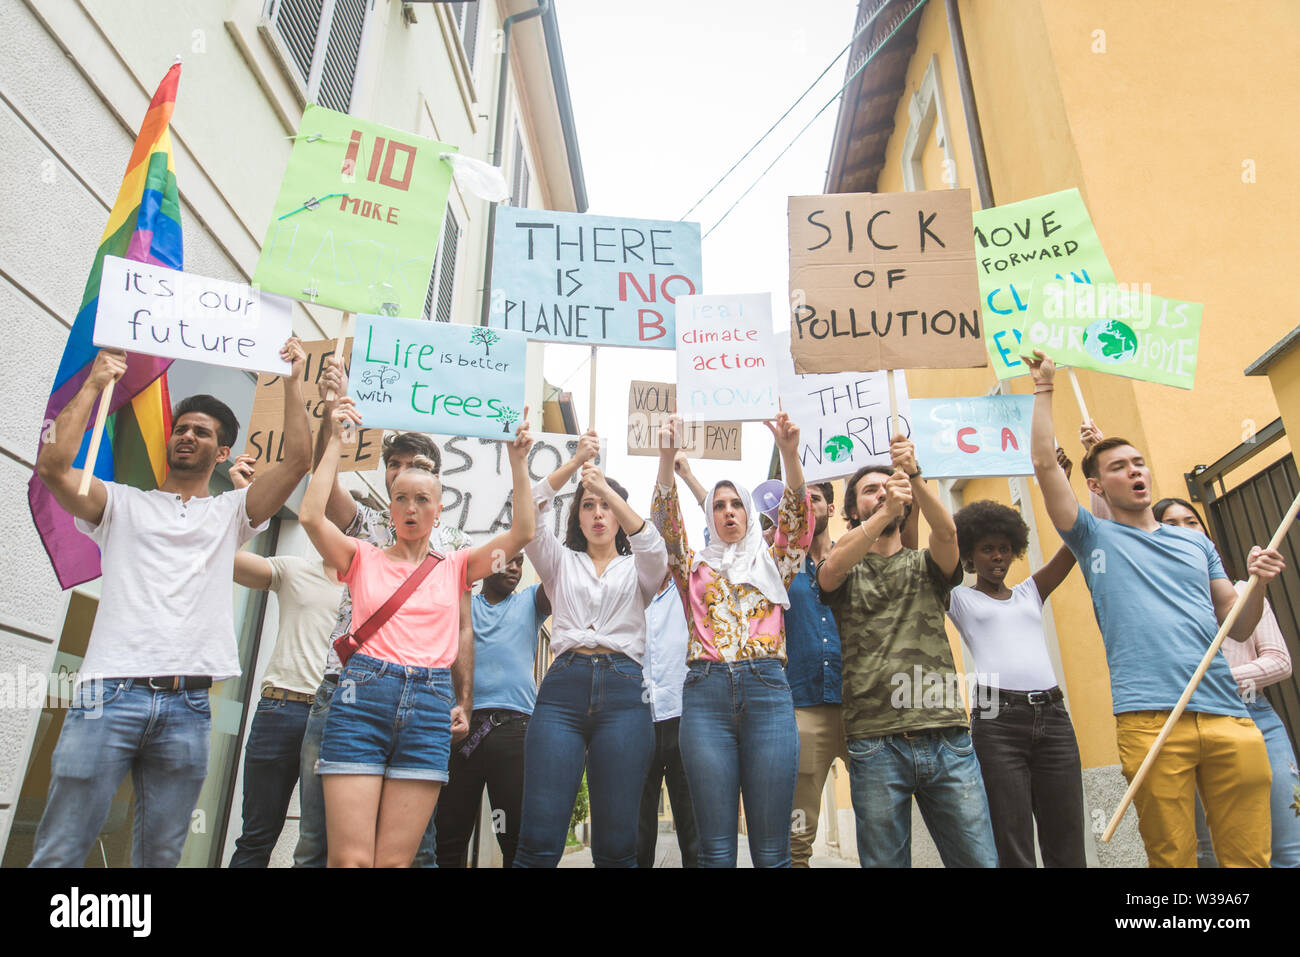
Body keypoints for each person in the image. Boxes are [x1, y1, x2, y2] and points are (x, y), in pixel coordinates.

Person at [30, 341, 311, 867]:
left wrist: (294, 382)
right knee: (61, 848)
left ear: (222, 452)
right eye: (182, 428)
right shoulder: (119, 503)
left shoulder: (229, 515)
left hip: (188, 706)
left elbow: (298, 461)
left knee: (160, 857)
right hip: (109, 695)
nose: (187, 435)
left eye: (202, 432)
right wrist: (96, 381)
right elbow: (53, 468)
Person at [1025, 348, 1285, 867]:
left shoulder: (1194, 543)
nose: (1135, 472)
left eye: (1140, 463)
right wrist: (1043, 389)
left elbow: (1241, 626)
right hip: (1148, 718)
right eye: (1119, 467)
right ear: (1096, 486)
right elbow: (1040, 464)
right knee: (1172, 858)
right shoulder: (1091, 535)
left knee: (1250, 857)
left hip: (1228, 716)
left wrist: (1258, 583)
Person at [300, 401, 535, 867]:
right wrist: (335, 443)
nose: (411, 508)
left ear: (438, 509)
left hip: (429, 702)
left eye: (422, 499)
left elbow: (523, 531)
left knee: (395, 861)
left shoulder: (458, 566)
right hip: (360, 696)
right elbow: (310, 516)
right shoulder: (360, 556)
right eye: (402, 498)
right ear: (390, 507)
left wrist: (517, 460)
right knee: (350, 861)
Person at [293, 357, 473, 868]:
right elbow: (319, 497)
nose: (402, 472)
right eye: (394, 465)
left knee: (416, 849)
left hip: (425, 694)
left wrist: (462, 698)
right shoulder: (365, 522)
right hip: (347, 686)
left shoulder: (456, 545)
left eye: (416, 466)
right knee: (318, 841)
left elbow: (462, 626)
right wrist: (335, 416)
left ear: (438, 487)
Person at [817, 435, 998, 868]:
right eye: (869, 490)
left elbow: (948, 532)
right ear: (851, 511)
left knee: (979, 862)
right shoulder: (842, 566)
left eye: (887, 486)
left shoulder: (926, 565)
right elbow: (833, 568)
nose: (881, 492)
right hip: (875, 744)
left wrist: (915, 476)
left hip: (946, 738)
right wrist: (885, 513)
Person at [652, 413, 813, 868]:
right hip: (705, 698)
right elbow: (665, 526)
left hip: (767, 695)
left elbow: (799, 521)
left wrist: (788, 452)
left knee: (770, 851)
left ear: (747, 511)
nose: (727, 511)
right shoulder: (691, 567)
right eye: (718, 506)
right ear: (710, 516)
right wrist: (667, 461)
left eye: (735, 504)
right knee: (716, 850)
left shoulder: (775, 564)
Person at [513, 430, 669, 868]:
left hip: (625, 694)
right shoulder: (559, 561)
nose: (598, 513)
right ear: (577, 519)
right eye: (587, 505)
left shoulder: (638, 568)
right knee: (538, 838)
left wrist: (604, 488)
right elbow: (529, 511)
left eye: (605, 506)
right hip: (562, 691)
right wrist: (577, 462)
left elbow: (654, 547)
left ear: (619, 516)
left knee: (618, 844)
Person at [948, 461, 1086, 868]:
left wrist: (1059, 481)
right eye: (987, 549)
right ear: (970, 554)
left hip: (1054, 716)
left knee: (1066, 836)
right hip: (997, 719)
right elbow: (935, 561)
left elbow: (1075, 543)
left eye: (1004, 548)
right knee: (1012, 840)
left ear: (1015, 550)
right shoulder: (959, 598)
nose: (997, 556)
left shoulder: (1030, 592)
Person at [1153, 496, 1300, 869]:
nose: (1185, 530)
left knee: (1289, 847)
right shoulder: (1157, 602)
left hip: (1256, 717)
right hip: (1193, 725)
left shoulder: (1244, 590)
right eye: (1171, 525)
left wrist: (1218, 678)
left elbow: (1279, 662)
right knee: (1211, 853)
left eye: (1192, 522)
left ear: (1207, 535)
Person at [224, 454, 344, 867]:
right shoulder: (293, 570)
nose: (330, 528)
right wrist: (241, 501)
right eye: (323, 519)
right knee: (257, 835)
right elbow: (233, 562)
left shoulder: (371, 585)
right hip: (281, 710)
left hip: (336, 719)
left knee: (320, 842)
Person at [434, 554, 549, 868]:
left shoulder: (530, 602)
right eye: (506, 560)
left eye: (520, 562)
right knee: (448, 836)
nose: (514, 568)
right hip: (461, 730)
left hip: (515, 732)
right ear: (485, 565)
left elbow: (559, 576)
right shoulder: (460, 602)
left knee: (512, 835)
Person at [637, 570, 699, 868]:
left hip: (684, 718)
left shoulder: (691, 588)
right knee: (637, 833)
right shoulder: (633, 590)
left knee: (694, 829)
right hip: (638, 721)